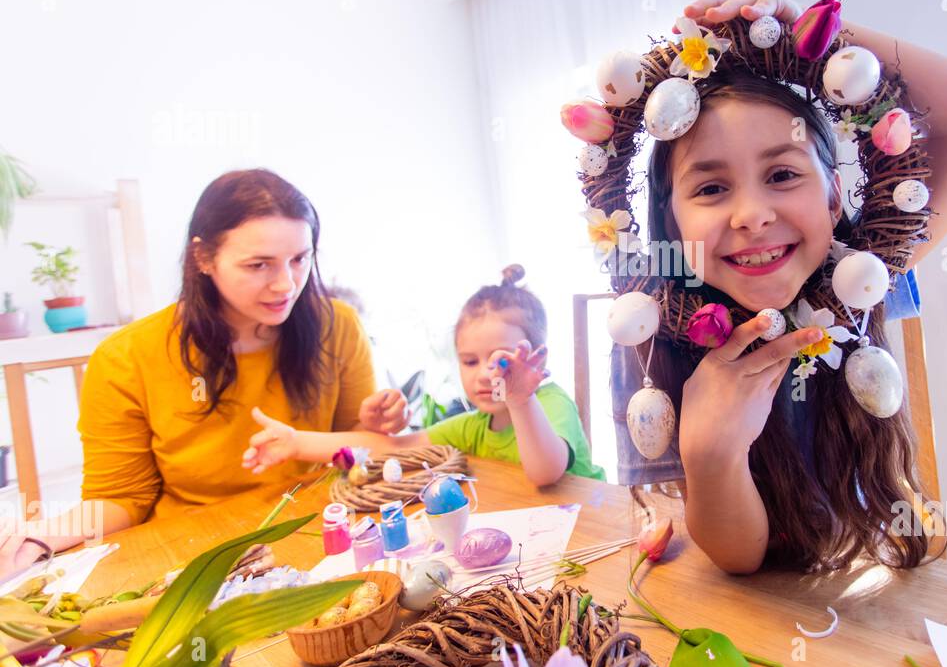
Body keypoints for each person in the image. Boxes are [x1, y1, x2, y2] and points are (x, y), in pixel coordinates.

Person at [611, 0, 947, 575]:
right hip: (770, 616)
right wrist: (711, 455)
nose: (751, 214)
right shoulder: (650, 335)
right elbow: (739, 559)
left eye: (782, 174)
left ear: (833, 201)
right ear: (672, 225)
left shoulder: (861, 280)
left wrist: (815, 34)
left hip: (870, 571)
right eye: (710, 188)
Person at [0, 169, 407, 578]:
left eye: (300, 259)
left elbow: (355, 451)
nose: (286, 284)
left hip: (318, 536)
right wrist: (39, 537)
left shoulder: (336, 325)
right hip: (194, 557)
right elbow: (120, 498)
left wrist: (373, 425)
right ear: (203, 258)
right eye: (258, 264)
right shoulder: (127, 357)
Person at [241, 265, 605, 485]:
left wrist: (521, 399)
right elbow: (392, 447)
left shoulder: (550, 401)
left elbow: (546, 474)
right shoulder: (474, 425)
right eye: (469, 361)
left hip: (596, 528)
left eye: (497, 360)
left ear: (536, 362)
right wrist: (297, 443)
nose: (482, 375)